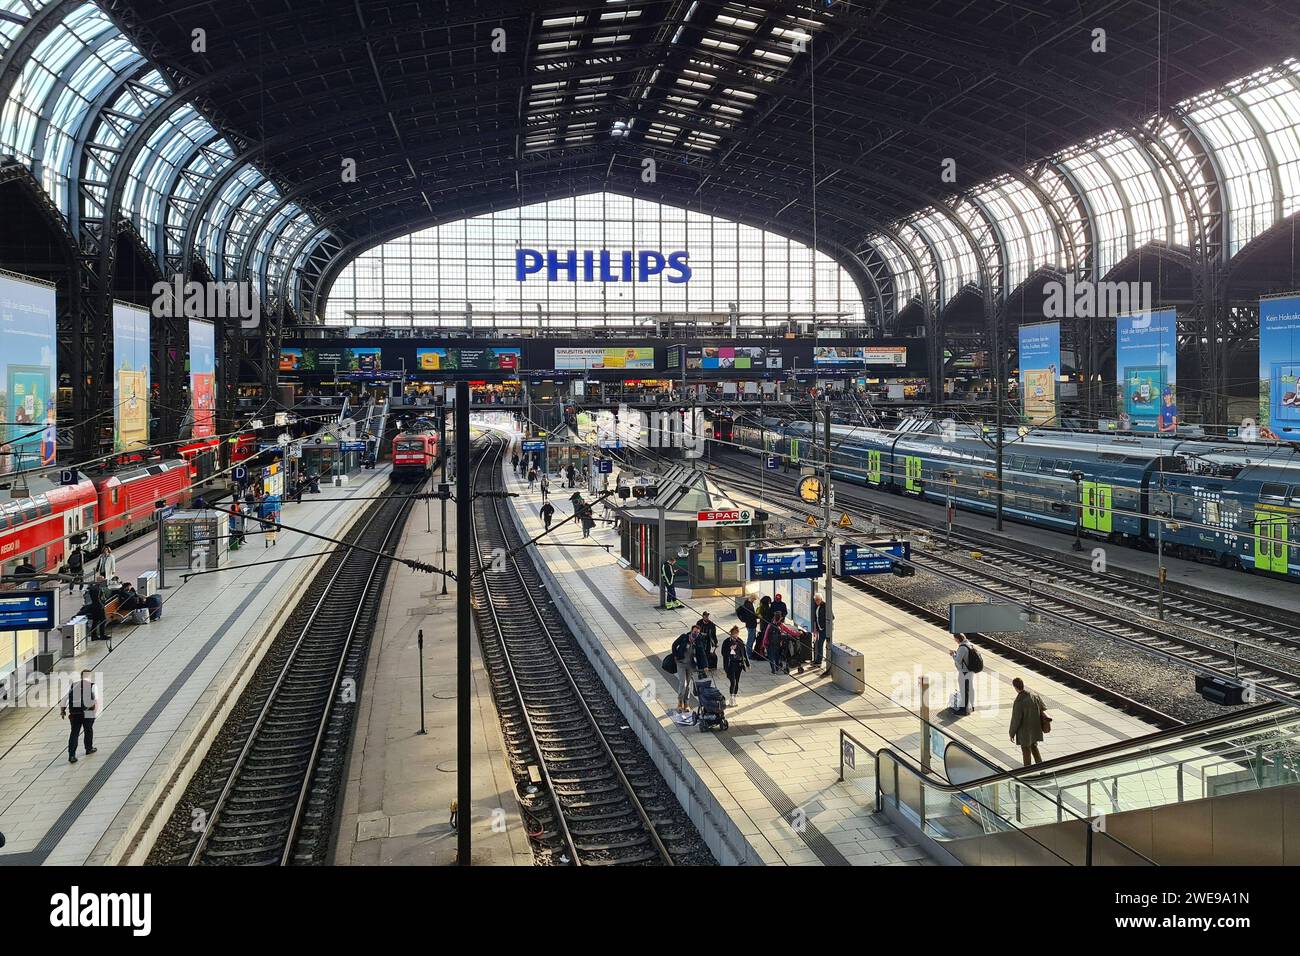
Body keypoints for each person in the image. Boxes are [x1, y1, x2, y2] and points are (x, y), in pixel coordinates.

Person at [61, 670, 98, 763]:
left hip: (75, 713)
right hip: (88, 712)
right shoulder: (92, 686)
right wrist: (94, 713)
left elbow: (64, 699)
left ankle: (72, 755)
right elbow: (96, 701)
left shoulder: (73, 686)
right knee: (88, 730)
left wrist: (62, 711)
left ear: (81, 677)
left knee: (74, 733)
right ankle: (88, 749)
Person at [1009, 678, 1046, 766]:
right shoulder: (1034, 695)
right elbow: (1043, 707)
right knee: (1034, 747)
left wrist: (1011, 733)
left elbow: (1016, 720)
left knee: (1026, 751)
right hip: (1035, 728)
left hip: (1024, 731)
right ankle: (1041, 768)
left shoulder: (1019, 701)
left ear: (1015, 687)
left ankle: (1027, 772)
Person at [671, 625, 709, 712]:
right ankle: (680, 702)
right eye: (695, 632)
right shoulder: (684, 637)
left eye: (698, 633)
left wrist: (705, 665)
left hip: (691, 665)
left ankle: (686, 703)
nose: (696, 634)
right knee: (683, 683)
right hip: (681, 664)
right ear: (691, 631)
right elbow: (674, 645)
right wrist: (675, 655)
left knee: (688, 685)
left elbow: (702, 653)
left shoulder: (698, 641)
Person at [721, 625, 749, 705]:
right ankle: (731, 697)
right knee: (733, 681)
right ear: (731, 634)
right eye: (734, 634)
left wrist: (747, 663)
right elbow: (723, 653)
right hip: (730, 664)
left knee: (737, 681)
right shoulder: (726, 642)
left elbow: (744, 653)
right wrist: (730, 649)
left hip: (739, 664)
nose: (736, 635)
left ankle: (734, 696)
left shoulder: (740, 641)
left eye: (737, 633)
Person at [951, 633, 974, 715]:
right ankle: (972, 706)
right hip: (970, 670)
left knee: (964, 690)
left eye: (955, 639)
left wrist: (953, 655)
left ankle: (963, 709)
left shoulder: (962, 648)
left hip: (964, 671)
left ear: (958, 639)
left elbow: (958, 660)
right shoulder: (970, 644)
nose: (955, 640)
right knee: (970, 688)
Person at [811, 594, 828, 666]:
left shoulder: (826, 606)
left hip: (825, 629)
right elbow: (815, 617)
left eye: (818, 600)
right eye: (815, 600)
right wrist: (816, 628)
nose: (816, 601)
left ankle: (819, 661)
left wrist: (824, 625)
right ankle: (818, 660)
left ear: (821, 599)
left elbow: (832, 617)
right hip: (820, 629)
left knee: (823, 644)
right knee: (819, 644)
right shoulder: (816, 606)